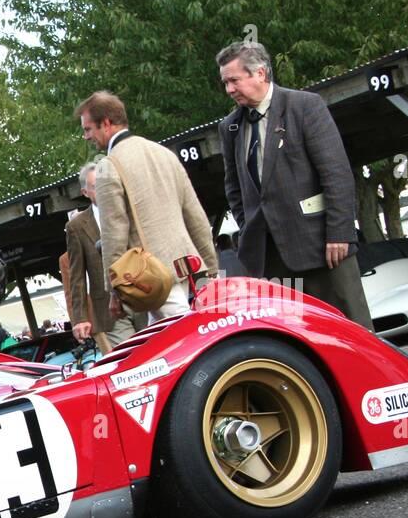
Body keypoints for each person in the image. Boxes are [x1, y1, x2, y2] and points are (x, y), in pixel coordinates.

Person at [216, 41, 373, 330]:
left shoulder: (305, 106)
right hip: (270, 260)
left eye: (234, 80)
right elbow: (234, 189)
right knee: (300, 342)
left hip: (324, 248)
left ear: (260, 73)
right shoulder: (230, 127)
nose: (229, 90)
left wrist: (339, 233)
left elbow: (336, 173)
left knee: (352, 333)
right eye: (225, 82)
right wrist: (251, 225)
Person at [77, 91, 217, 326]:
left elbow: (114, 232)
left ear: (107, 124)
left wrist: (114, 288)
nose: (85, 136)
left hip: (150, 275)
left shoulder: (107, 167)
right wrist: (211, 268)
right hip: (186, 264)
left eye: (88, 129)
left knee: (185, 340)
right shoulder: (164, 153)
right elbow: (195, 215)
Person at [66, 162, 116, 353]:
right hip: (108, 308)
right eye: (95, 186)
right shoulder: (77, 227)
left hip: (144, 297)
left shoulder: (127, 209)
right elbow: (76, 276)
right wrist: (79, 318)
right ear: (85, 192)